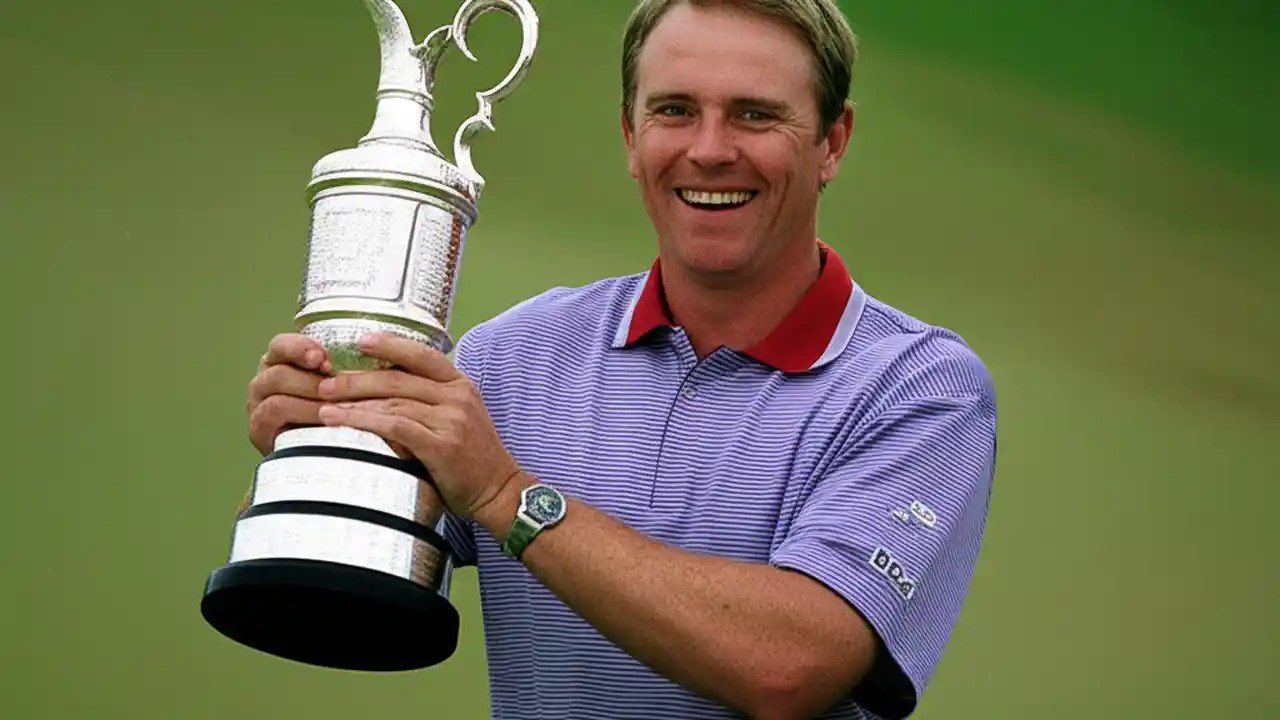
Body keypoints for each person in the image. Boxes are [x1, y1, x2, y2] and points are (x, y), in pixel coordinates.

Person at [245, 1, 997, 717]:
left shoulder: (918, 388)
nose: (708, 150)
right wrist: (321, 445)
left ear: (833, 141)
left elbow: (790, 668)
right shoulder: (514, 354)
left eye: (755, 114)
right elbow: (342, 587)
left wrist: (509, 494)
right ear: (630, 137)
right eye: (674, 110)